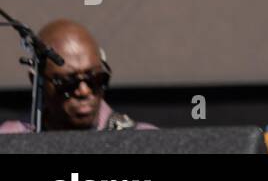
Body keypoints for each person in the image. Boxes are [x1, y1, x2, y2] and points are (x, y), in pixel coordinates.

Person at [0, 19, 154, 133]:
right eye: (68, 83)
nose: (84, 91)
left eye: (95, 79)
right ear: (36, 81)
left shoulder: (144, 140)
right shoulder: (10, 138)